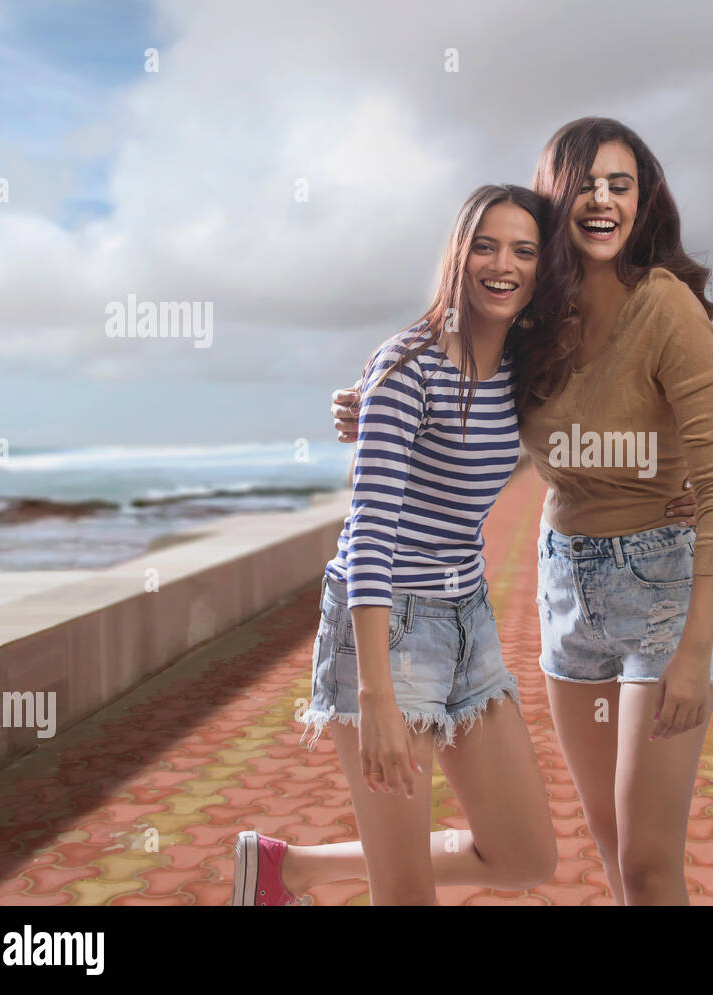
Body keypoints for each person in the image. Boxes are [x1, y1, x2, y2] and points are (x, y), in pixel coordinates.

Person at [331, 118, 713, 905]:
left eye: (620, 186)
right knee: (612, 842)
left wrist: (695, 650)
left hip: (658, 586)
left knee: (653, 861)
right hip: (565, 588)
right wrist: (371, 404)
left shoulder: (666, 308)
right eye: (584, 186)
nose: (602, 201)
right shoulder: (536, 319)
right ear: (558, 201)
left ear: (641, 200)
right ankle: (302, 869)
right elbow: (460, 378)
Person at [233, 184, 560, 906]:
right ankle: (303, 871)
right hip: (387, 625)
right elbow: (371, 535)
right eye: (485, 244)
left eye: (523, 250)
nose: (502, 264)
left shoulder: (522, 367)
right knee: (405, 890)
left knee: (525, 854)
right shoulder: (406, 365)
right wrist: (376, 695)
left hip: (467, 616)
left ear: (542, 268)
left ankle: (296, 869)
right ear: (458, 255)